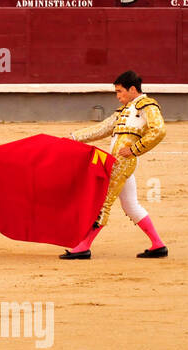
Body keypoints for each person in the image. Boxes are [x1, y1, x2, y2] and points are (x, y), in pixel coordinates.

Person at [59, 70, 168, 260]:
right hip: (119, 162)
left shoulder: (147, 106)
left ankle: (84, 246)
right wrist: (75, 138)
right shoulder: (125, 110)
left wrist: (135, 149)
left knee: (103, 201)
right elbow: (103, 128)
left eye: (120, 92)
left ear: (132, 89)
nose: (118, 97)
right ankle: (158, 245)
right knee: (131, 206)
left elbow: (159, 130)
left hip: (123, 162)